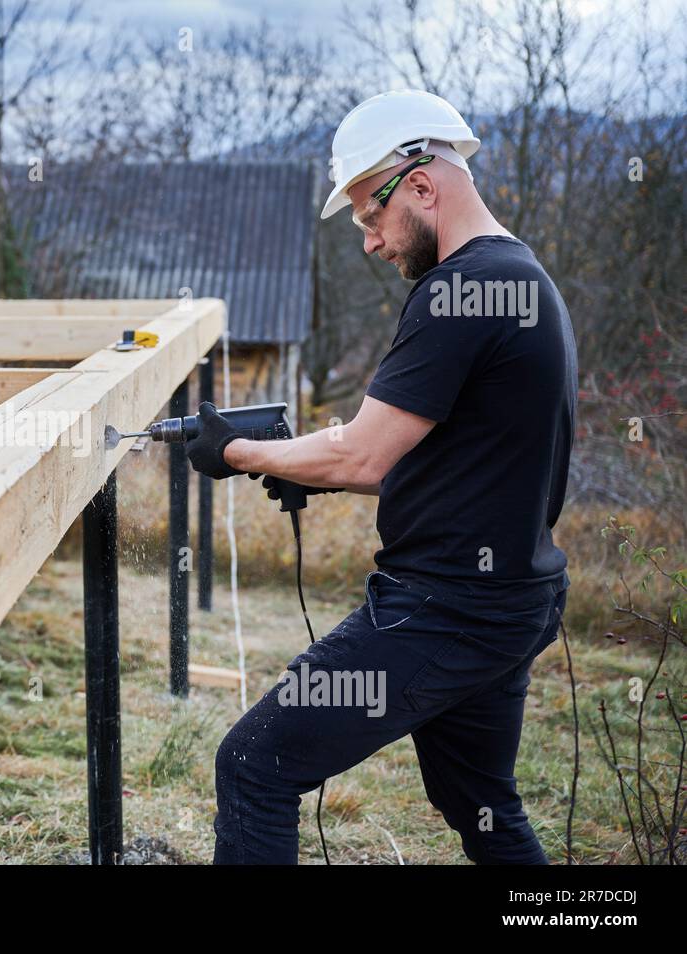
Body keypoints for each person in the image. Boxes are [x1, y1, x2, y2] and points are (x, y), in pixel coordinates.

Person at [185, 89, 579, 865]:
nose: (369, 240)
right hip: (514, 600)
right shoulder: (521, 280)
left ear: (423, 185)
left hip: (444, 611)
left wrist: (235, 452)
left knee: (254, 766)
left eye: (370, 214)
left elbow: (362, 452)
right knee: (480, 803)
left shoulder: (459, 292)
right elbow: (440, 463)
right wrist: (312, 470)